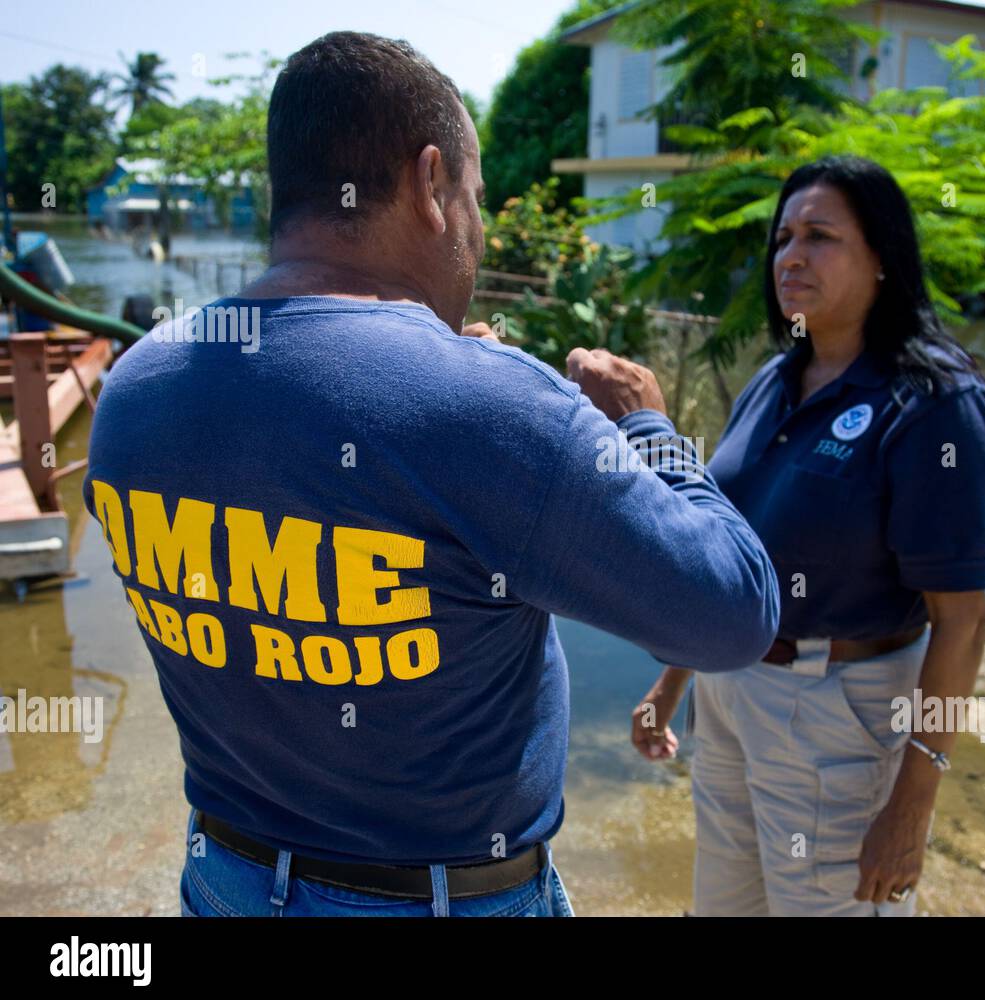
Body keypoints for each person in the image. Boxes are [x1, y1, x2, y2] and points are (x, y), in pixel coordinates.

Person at [83, 31, 780, 918]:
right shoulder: (493, 412)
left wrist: (481, 407)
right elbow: (732, 615)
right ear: (429, 185)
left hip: (226, 880)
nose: (480, 234)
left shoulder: (136, 389)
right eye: (476, 197)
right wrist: (646, 425)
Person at [632, 155, 985, 917]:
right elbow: (731, 545)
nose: (791, 256)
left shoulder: (934, 405)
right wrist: (673, 682)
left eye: (821, 236)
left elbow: (961, 624)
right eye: (783, 238)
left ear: (881, 262)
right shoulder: (778, 379)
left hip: (836, 714)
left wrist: (913, 804)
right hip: (733, 693)